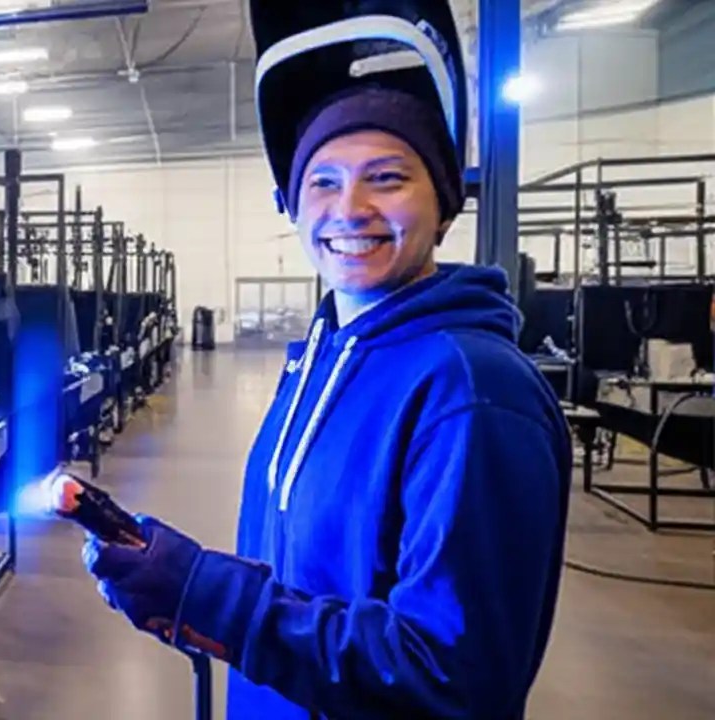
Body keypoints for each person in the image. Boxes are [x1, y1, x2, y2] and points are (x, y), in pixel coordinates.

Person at [82, 13, 572, 720]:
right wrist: (177, 584)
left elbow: (453, 682)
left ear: (442, 201)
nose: (351, 209)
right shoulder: (320, 359)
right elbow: (301, 580)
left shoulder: (471, 390)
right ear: (292, 202)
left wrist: (208, 595)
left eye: (388, 177)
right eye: (323, 182)